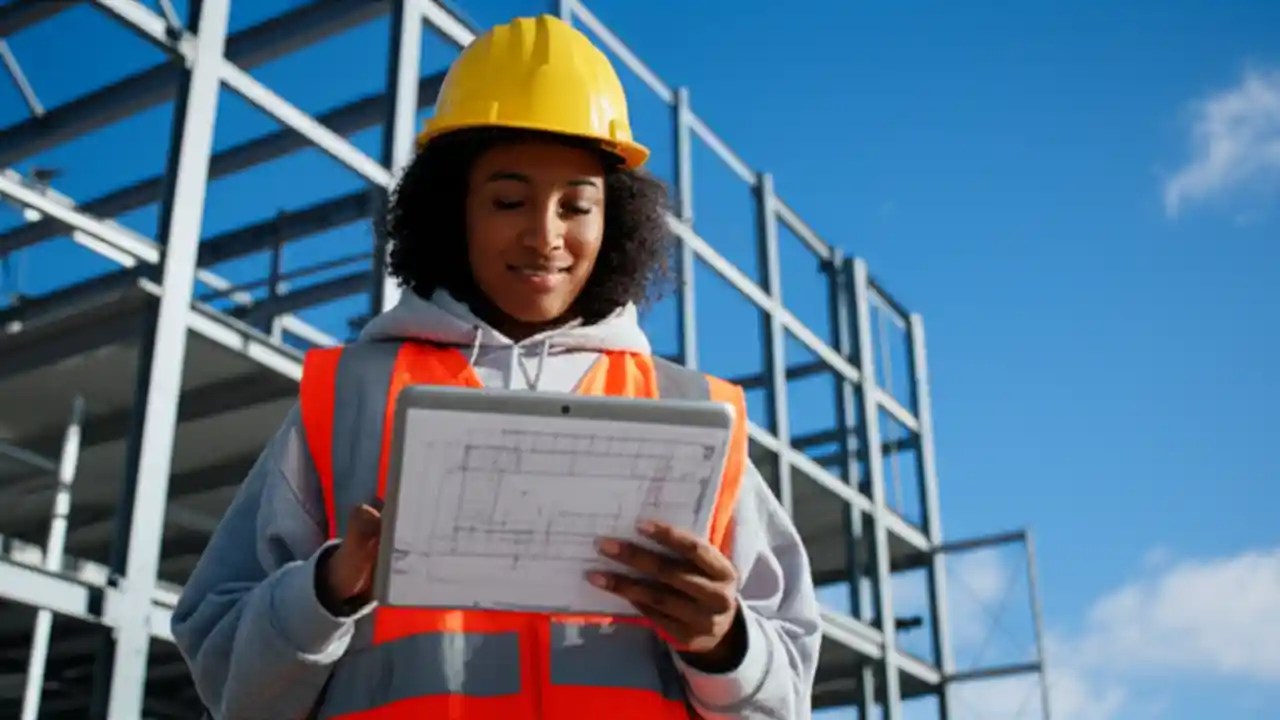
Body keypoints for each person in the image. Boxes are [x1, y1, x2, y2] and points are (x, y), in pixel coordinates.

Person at [171, 14, 821, 720]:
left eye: (578, 205)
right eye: (509, 201)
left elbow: (785, 691)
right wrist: (329, 588)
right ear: (456, 212)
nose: (546, 237)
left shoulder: (692, 417)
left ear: (615, 222)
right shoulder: (348, 401)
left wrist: (725, 644)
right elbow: (221, 662)